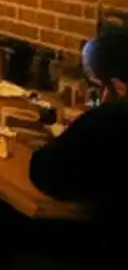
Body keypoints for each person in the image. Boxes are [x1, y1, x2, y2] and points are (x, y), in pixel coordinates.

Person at [28, 29, 128, 268]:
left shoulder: (110, 119)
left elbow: (48, 174)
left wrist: (66, 136)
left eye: (97, 86)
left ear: (118, 87)